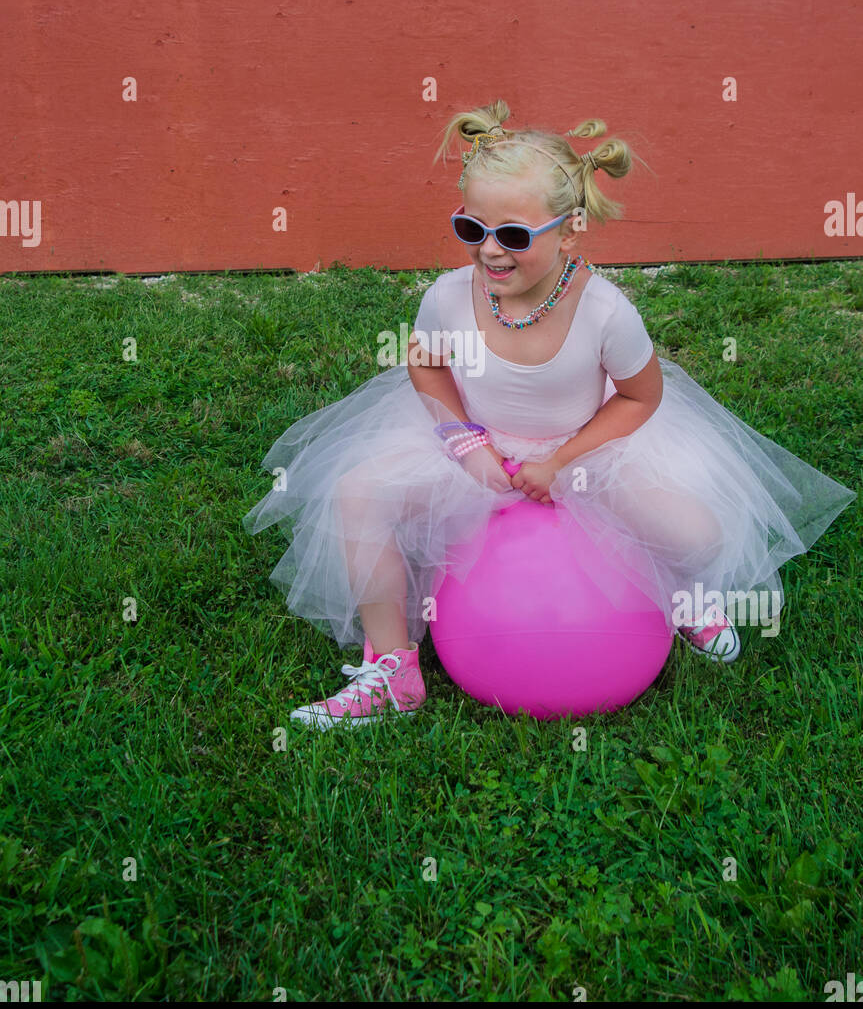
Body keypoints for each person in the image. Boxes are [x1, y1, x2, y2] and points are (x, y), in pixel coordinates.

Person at [243, 100, 856, 729]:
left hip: (589, 446)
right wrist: (464, 442)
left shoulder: (605, 312)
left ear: (568, 232)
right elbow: (426, 367)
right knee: (358, 494)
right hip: (479, 441)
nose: (490, 251)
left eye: (512, 235)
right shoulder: (448, 297)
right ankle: (393, 671)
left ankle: (680, 596)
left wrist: (564, 462)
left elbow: (641, 397)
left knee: (697, 535)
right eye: (471, 229)